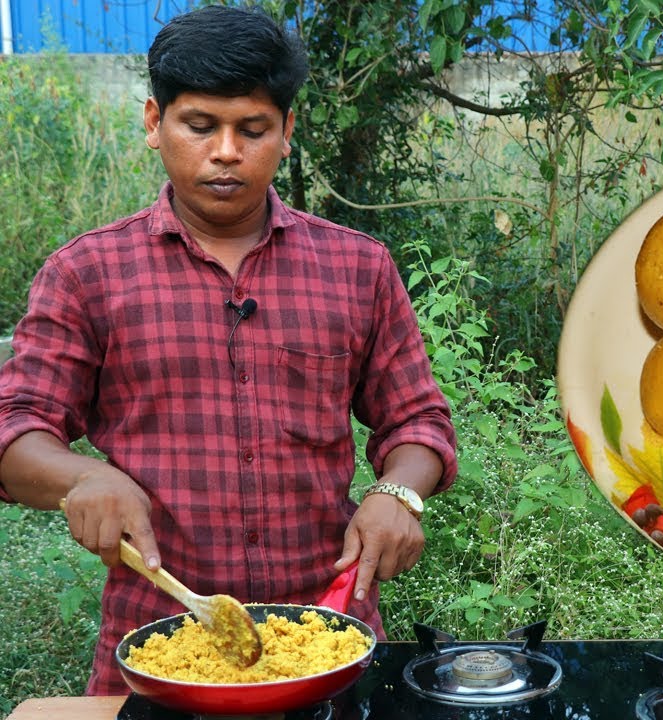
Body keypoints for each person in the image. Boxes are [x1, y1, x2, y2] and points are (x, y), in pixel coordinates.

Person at [0, 5, 457, 695]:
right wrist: (82, 478)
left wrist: (398, 492)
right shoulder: (86, 274)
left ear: (287, 132)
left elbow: (418, 422)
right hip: (156, 648)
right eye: (200, 126)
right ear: (156, 124)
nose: (225, 152)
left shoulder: (356, 267)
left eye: (252, 129)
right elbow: (14, 429)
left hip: (325, 642)